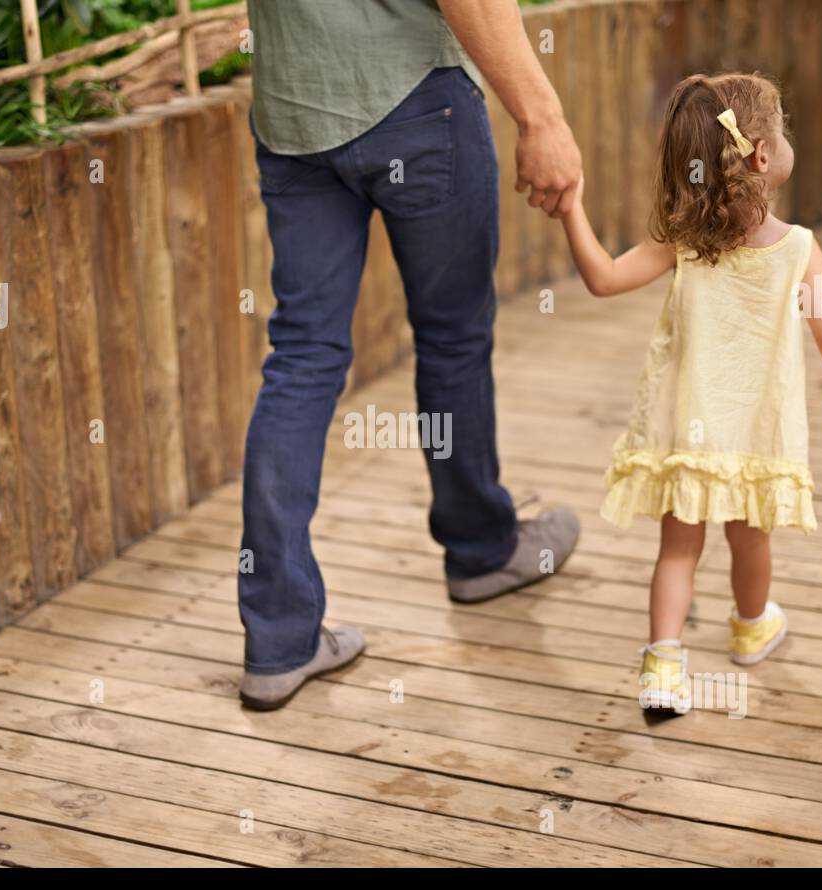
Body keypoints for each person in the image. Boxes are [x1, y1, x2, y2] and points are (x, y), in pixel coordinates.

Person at [239, 0, 585, 710]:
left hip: (295, 114)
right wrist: (542, 117)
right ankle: (481, 549)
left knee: (301, 357)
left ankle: (278, 640)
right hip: (415, 102)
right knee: (453, 334)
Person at [559, 72, 822, 714]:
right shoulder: (799, 251)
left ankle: (662, 666)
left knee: (678, 549)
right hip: (753, 436)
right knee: (749, 538)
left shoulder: (682, 241)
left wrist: (571, 207)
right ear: (763, 155)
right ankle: (751, 625)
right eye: (782, 130)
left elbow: (601, 279)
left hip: (688, 430)